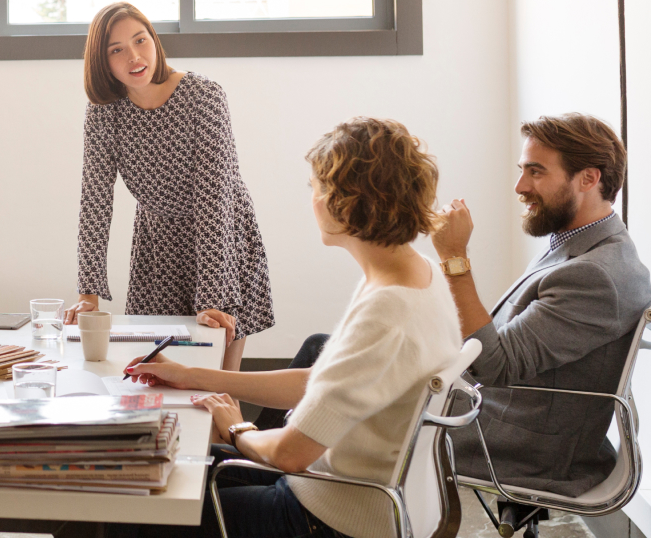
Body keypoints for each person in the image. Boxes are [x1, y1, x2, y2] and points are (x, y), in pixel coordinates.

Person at [122, 118, 463, 538]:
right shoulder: (416, 273)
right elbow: (319, 381)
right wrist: (193, 376)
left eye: (317, 187)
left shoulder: (386, 312)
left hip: (326, 517)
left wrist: (236, 428)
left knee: (138, 507)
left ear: (347, 201)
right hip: (345, 493)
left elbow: (289, 453)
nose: (313, 200)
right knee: (185, 464)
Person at [431, 113, 651, 496]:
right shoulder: (581, 246)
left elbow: (493, 366)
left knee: (338, 394)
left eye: (536, 172)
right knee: (331, 356)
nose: (520, 186)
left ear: (588, 178)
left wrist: (455, 259)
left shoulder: (595, 274)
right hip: (502, 412)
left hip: (519, 446)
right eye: (522, 170)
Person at [66, 2, 273, 370]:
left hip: (220, 242)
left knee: (222, 383)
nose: (134, 56)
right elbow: (94, 201)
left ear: (154, 40)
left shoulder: (204, 97)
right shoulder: (104, 112)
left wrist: (213, 296)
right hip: (156, 246)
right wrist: (88, 294)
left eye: (140, 40)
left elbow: (215, 199)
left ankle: (238, 429)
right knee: (156, 375)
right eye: (117, 50)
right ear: (103, 62)